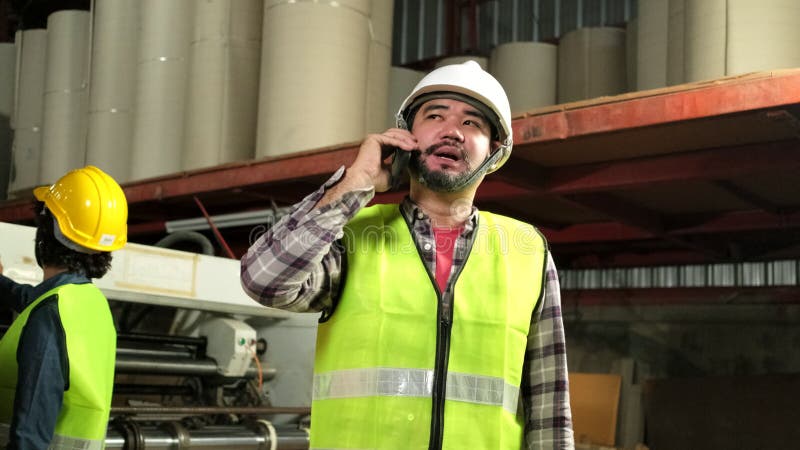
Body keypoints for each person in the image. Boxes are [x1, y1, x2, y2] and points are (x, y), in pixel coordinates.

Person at [241, 61, 574, 449]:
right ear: (405, 136)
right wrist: (356, 182)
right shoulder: (350, 237)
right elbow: (263, 280)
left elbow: (549, 409)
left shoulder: (527, 251)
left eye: (472, 123)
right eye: (435, 116)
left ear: (494, 152)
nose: (452, 131)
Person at [0, 166, 127, 450]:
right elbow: (34, 300)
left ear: (44, 234)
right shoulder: (91, 303)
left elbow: (29, 440)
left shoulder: (50, 316)